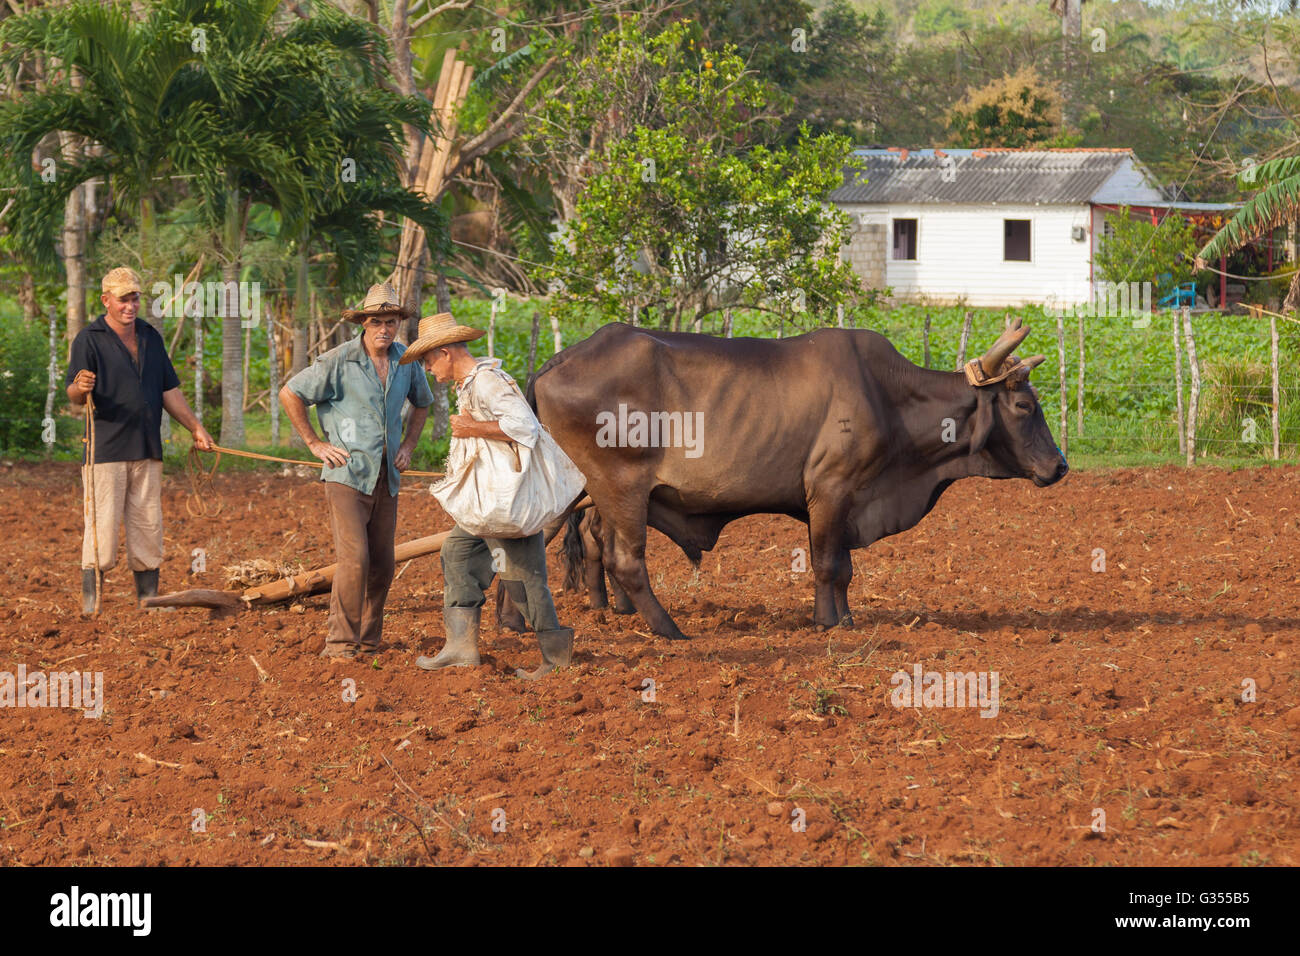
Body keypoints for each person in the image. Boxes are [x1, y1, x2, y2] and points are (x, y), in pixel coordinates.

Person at [399, 312, 574, 680]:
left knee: (524, 577)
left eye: (429, 360)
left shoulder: (488, 382)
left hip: (503, 499)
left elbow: (525, 428)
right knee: (458, 552)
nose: (429, 368)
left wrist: (471, 427)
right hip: (486, 502)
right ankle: (461, 648)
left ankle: (556, 658)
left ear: (445, 353)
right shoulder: (470, 383)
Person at [280, 283, 433, 660]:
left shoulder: (406, 361)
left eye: (392, 321)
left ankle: (368, 640)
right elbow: (291, 393)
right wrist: (315, 443)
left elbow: (423, 404)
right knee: (355, 561)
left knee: (382, 563)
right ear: (363, 322)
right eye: (377, 321)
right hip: (347, 475)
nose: (385, 329)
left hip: (387, 476)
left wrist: (409, 446)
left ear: (400, 323)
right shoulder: (339, 360)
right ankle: (339, 645)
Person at [66, 266, 215, 615]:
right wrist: (80, 386)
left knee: (148, 524)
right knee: (101, 527)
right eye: (123, 300)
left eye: (134, 298)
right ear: (106, 300)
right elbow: (73, 394)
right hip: (106, 451)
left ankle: (148, 600)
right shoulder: (89, 338)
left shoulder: (150, 336)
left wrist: (195, 427)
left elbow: (169, 390)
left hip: (148, 448)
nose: (130, 306)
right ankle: (92, 603)